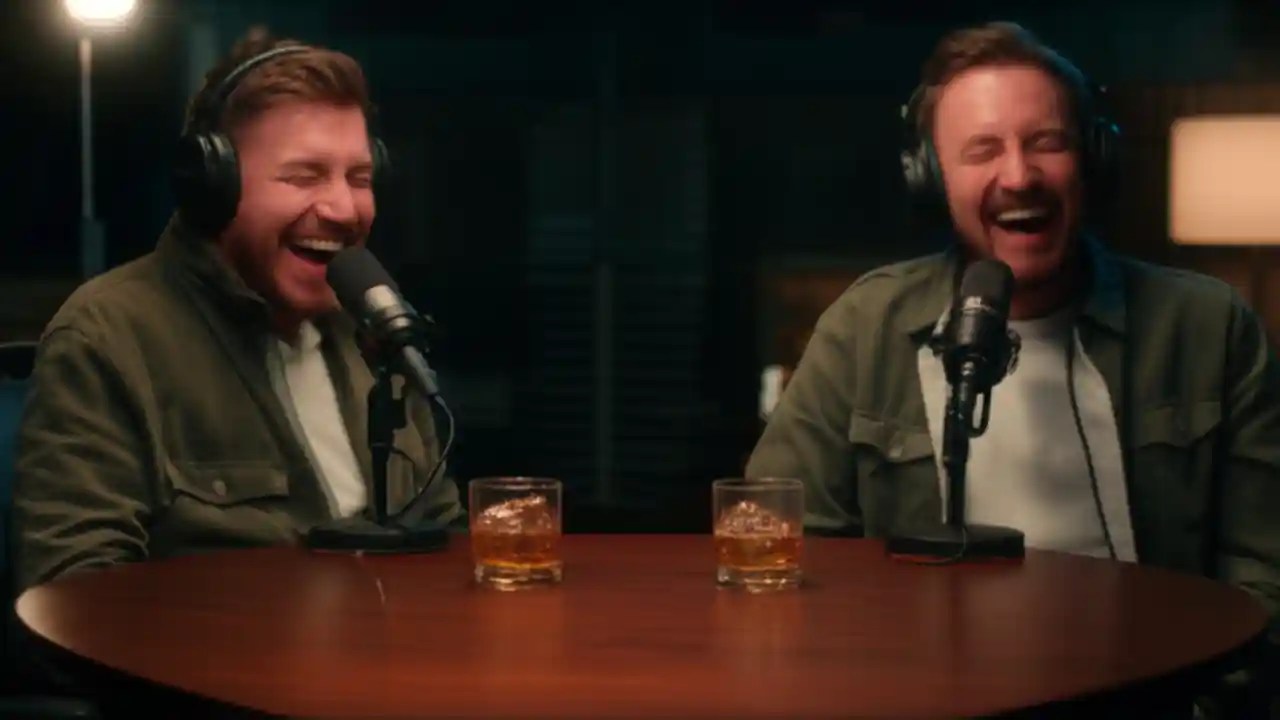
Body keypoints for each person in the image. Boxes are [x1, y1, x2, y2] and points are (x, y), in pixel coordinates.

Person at [746, 21, 1279, 715]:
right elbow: (779, 543)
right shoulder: (864, 327)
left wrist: (1203, 703)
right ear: (930, 178)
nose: (1020, 176)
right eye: (983, 150)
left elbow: (1264, 575)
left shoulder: (1208, 326)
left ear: (1093, 159)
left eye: (1047, 142)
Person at [12, 31, 465, 593]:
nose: (344, 209)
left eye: (359, 178)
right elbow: (74, 597)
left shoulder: (375, 329)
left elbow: (445, 538)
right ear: (214, 186)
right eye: (304, 176)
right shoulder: (109, 337)